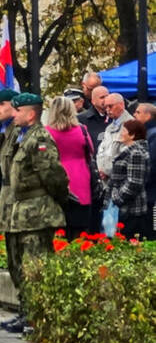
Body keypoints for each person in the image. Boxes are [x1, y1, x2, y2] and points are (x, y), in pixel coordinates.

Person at [0, 93, 68, 334]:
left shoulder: (40, 138)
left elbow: (53, 175)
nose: (13, 114)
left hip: (36, 214)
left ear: (31, 114)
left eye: (18, 111)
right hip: (17, 214)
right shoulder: (18, 136)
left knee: (35, 266)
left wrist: (58, 200)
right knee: (16, 265)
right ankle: (25, 311)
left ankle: (38, 316)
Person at [42, 95, 98, 240]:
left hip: (56, 183)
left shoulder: (46, 132)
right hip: (81, 182)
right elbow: (90, 150)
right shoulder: (82, 130)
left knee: (58, 233)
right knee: (80, 231)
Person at [109, 118, 149, 240]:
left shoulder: (135, 152)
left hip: (132, 208)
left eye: (124, 130)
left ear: (132, 135)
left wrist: (117, 198)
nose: (121, 133)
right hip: (126, 207)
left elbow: (134, 182)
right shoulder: (130, 150)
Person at [133, 103, 156, 239]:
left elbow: (151, 165)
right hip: (148, 193)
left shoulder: (152, 136)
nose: (134, 115)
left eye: (137, 112)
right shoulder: (147, 134)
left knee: (151, 233)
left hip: (151, 195)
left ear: (147, 115)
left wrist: (139, 183)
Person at [80, 84, 109, 150]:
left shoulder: (116, 116)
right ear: (93, 101)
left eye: (107, 96)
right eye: (102, 97)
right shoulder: (81, 119)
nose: (106, 100)